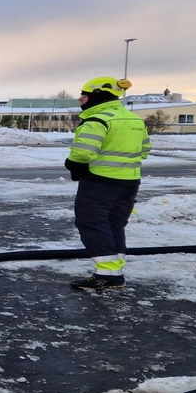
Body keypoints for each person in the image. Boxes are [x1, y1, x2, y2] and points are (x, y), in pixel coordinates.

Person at [64, 77, 150, 290]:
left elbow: (82, 153)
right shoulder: (133, 119)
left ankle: (108, 274)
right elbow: (145, 151)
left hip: (100, 182)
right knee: (114, 224)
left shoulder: (97, 120)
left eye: (84, 95)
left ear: (97, 96)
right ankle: (114, 268)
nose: (80, 100)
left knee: (93, 223)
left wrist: (73, 165)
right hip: (130, 182)